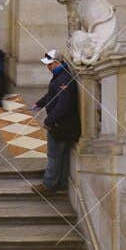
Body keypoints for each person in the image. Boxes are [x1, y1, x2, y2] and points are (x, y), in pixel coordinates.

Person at [34, 50, 80, 195]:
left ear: (58, 63)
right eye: (48, 65)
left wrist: (49, 120)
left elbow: (63, 105)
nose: (48, 67)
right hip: (65, 125)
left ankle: (48, 185)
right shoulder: (60, 76)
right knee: (63, 156)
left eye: (50, 64)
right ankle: (61, 183)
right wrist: (40, 103)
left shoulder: (63, 79)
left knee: (54, 156)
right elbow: (52, 95)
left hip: (60, 125)